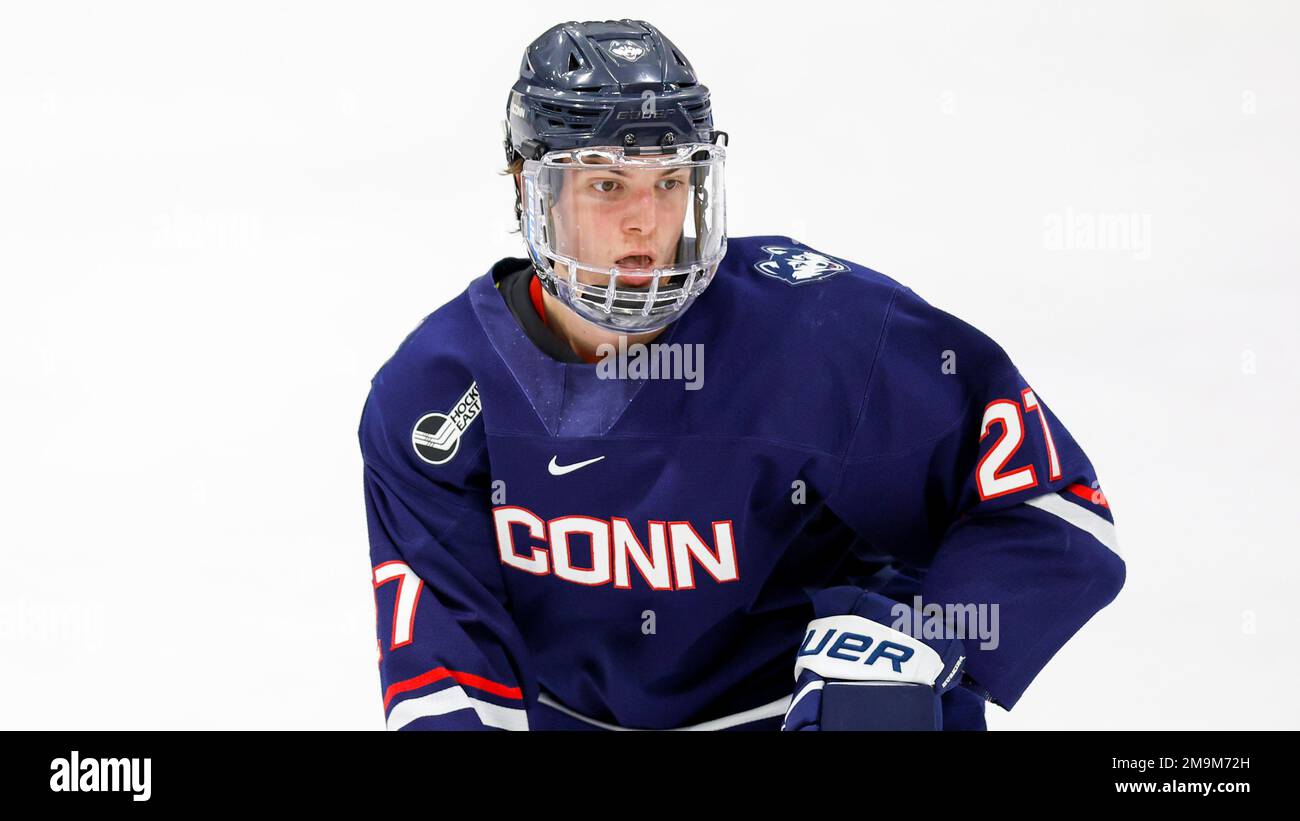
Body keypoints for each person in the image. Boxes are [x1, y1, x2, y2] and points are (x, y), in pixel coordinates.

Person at [359, 19, 1125, 731]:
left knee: (874, 706)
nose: (645, 221)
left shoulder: (818, 334)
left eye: (668, 181)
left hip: (797, 707)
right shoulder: (434, 397)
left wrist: (919, 641)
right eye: (605, 184)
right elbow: (448, 670)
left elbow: (1055, 506)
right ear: (530, 190)